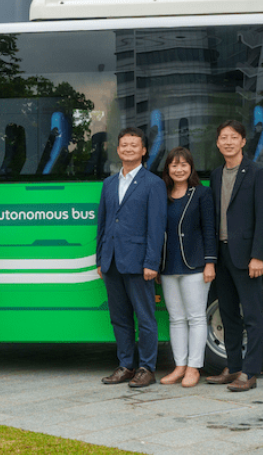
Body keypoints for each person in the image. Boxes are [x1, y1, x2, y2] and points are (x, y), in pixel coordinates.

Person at [97, 127, 167, 388]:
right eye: (124, 145)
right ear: (118, 150)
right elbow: (103, 224)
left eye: (134, 145)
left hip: (139, 263)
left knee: (145, 317)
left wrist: (152, 263)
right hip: (112, 261)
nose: (128, 149)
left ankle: (147, 368)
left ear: (143, 150)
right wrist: (100, 260)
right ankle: (125, 365)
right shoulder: (108, 183)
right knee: (119, 317)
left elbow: (156, 227)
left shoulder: (153, 183)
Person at [207, 120, 263, 392]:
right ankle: (233, 367)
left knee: (253, 315)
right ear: (218, 143)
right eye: (223, 137)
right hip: (222, 254)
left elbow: (262, 217)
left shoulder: (257, 173)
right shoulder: (216, 174)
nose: (228, 142)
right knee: (228, 313)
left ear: (243, 141)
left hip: (246, 257)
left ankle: (250, 371)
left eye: (234, 137)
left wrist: (258, 256)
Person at [158, 146, 215, 388]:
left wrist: (210, 262)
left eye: (184, 164)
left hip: (195, 264)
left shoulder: (201, 194)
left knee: (196, 317)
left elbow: (209, 229)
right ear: (168, 169)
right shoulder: (163, 194)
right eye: (174, 165)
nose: (179, 169)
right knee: (176, 318)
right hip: (168, 266)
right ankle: (179, 366)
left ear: (191, 167)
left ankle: (194, 367)